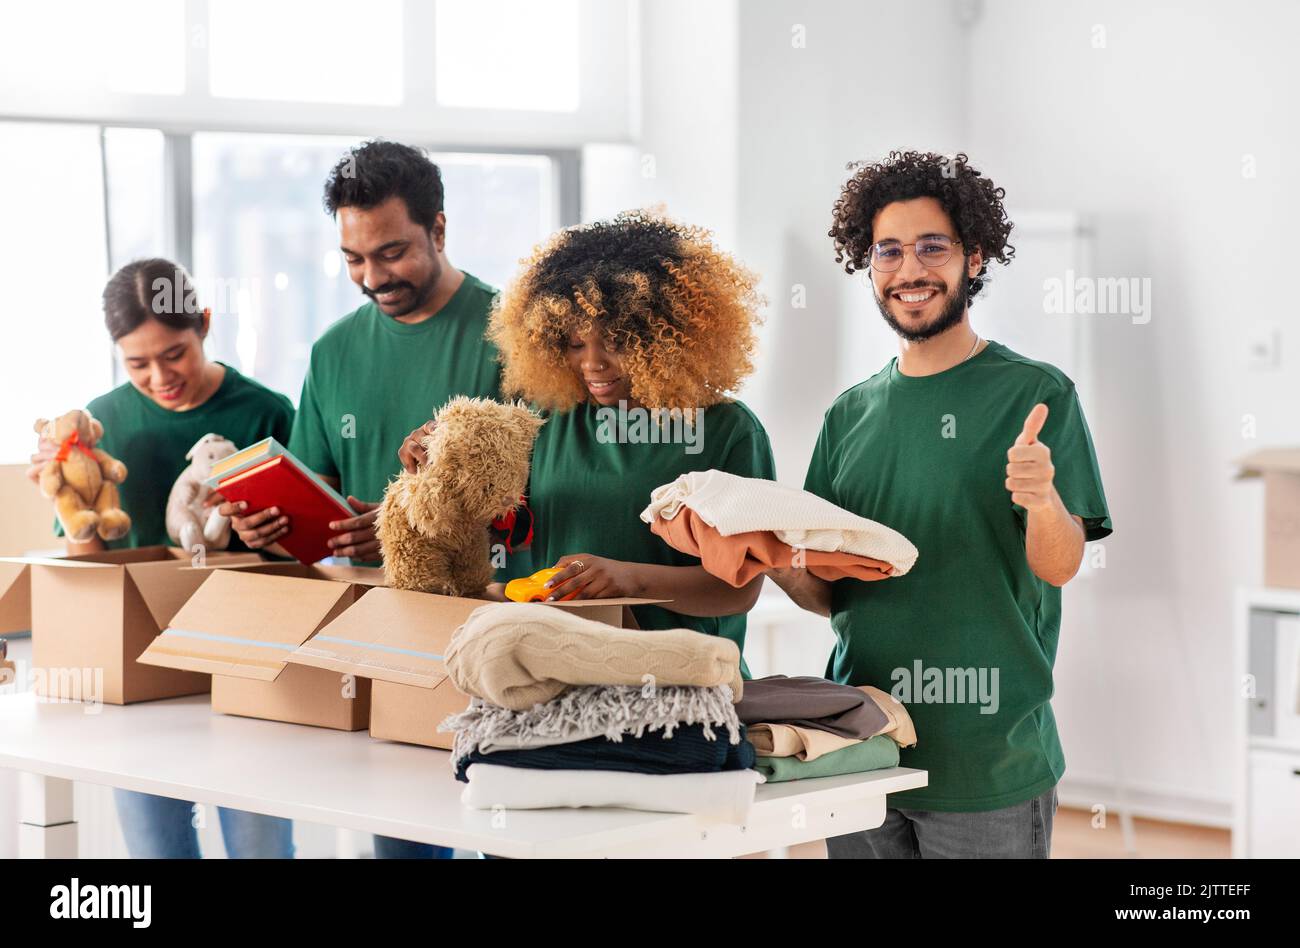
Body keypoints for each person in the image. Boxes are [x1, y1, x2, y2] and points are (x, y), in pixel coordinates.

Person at [772, 151, 1112, 858]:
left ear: (975, 258)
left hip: (989, 761)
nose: (909, 270)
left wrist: (1044, 500)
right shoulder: (849, 416)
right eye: (888, 251)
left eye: (933, 247)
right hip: (864, 749)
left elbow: (1060, 565)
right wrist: (771, 557)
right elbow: (831, 594)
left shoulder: (1036, 395)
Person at [224, 139, 502, 860]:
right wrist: (270, 528)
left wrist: (412, 528)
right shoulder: (332, 352)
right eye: (354, 258)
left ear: (439, 229)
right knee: (401, 848)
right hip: (377, 641)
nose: (373, 276)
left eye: (393, 252)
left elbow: (538, 498)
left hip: (489, 635)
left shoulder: (510, 338)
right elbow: (316, 500)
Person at [400, 211, 774, 665]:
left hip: (684, 680)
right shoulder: (544, 421)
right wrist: (434, 465)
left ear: (665, 334)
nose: (593, 363)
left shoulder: (726, 431)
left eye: (616, 340)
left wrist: (628, 580)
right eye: (576, 342)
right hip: (558, 671)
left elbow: (737, 588)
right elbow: (494, 531)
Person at [27, 258, 296, 858]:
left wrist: (266, 532)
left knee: (260, 849)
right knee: (157, 855)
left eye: (173, 354)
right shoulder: (103, 422)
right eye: (137, 363)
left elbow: (298, 561)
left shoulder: (265, 412)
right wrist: (68, 493)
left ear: (203, 323)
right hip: (140, 670)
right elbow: (89, 559)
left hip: (242, 668)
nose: (159, 377)